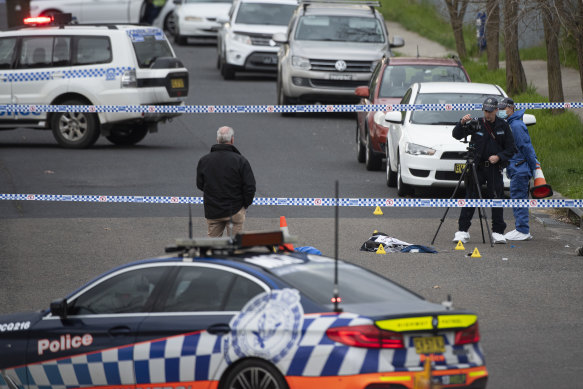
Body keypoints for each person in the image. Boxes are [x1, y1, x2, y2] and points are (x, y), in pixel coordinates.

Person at [452, 97, 516, 244]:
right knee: (470, 196)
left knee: (497, 197)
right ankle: (463, 231)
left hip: (494, 167)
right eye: (485, 111)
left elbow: (511, 148)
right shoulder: (477, 123)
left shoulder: (503, 126)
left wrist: (499, 157)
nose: (487, 114)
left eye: (490, 111)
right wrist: (461, 123)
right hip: (477, 167)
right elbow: (456, 135)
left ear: (496, 110)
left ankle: (498, 232)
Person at [196, 126, 256, 237]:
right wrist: (245, 204)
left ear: (217, 139)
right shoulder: (240, 161)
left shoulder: (204, 161)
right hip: (235, 209)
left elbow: (200, 184)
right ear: (232, 140)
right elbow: (250, 186)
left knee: (212, 248)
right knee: (235, 248)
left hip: (213, 210)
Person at [499, 97, 537, 241]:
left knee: (519, 199)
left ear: (511, 108)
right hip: (516, 167)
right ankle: (521, 228)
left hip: (520, 168)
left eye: (504, 108)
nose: (501, 111)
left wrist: (534, 168)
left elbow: (526, 148)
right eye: (500, 108)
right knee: (517, 198)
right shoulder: (511, 124)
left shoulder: (516, 126)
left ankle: (522, 230)